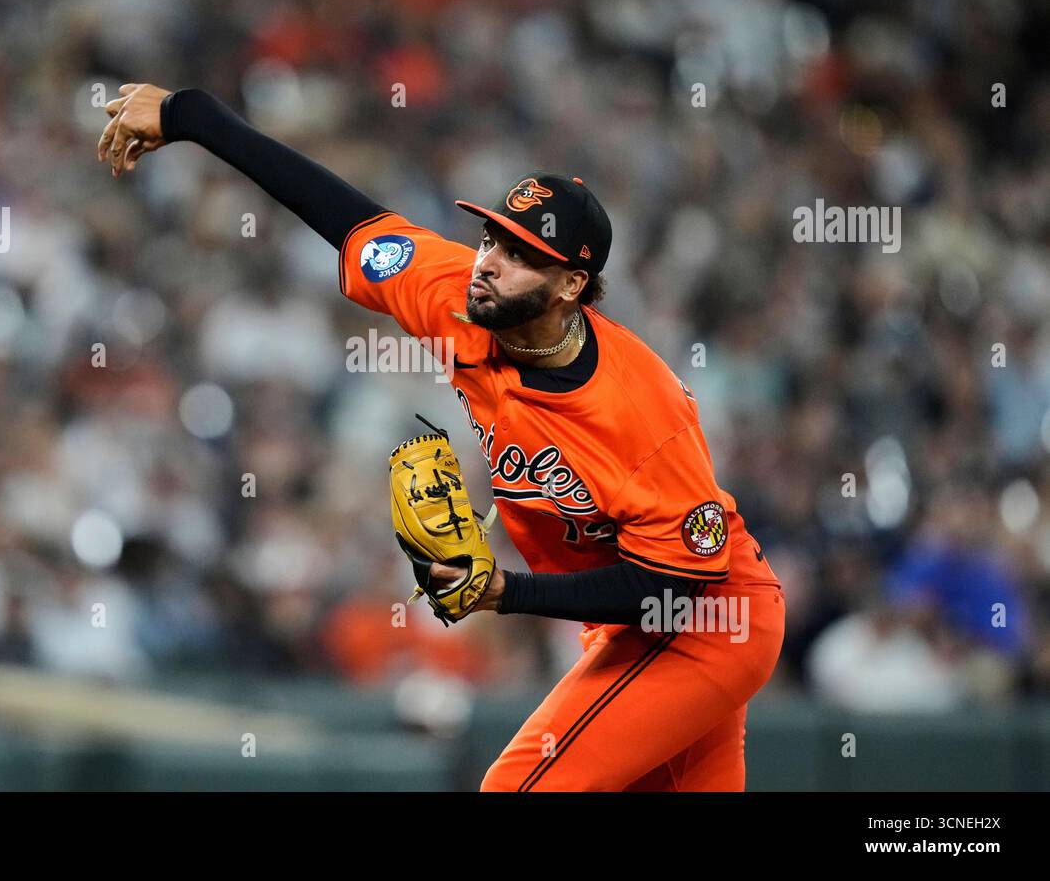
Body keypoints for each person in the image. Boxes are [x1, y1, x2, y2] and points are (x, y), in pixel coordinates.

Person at [97, 84, 786, 791]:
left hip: (706, 622)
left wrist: (507, 592)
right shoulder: (457, 296)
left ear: (570, 284)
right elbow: (345, 218)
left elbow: (676, 582)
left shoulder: (640, 411)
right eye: (491, 238)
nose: (488, 261)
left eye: (519, 254)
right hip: (637, 626)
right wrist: (193, 117)